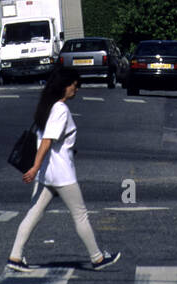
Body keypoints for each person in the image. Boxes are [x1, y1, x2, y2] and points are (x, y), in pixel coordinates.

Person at [7, 67, 119, 272]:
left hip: (48, 174)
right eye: (73, 86)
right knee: (80, 215)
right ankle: (97, 258)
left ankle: (15, 256)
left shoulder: (47, 107)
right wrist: (34, 167)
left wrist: (42, 167)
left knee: (34, 213)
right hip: (61, 174)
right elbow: (47, 141)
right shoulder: (60, 109)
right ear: (63, 86)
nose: (76, 90)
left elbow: (52, 140)